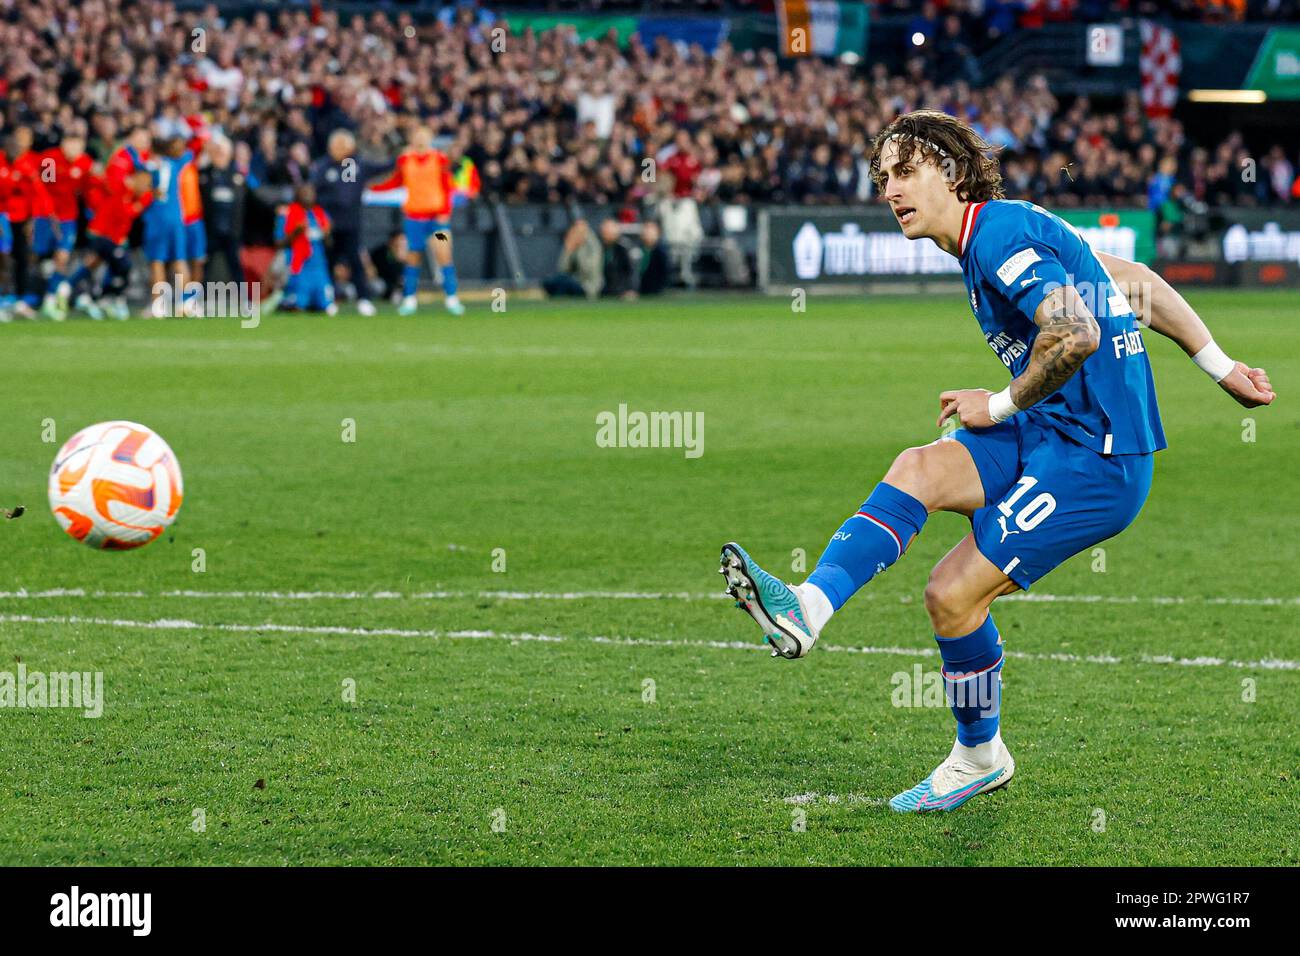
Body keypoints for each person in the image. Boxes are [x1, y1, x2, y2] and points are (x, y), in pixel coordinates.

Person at [719, 109, 1276, 814]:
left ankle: (979, 758)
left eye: (907, 171)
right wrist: (1221, 368)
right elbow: (1136, 283)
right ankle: (808, 608)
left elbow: (1074, 333)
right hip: (1055, 429)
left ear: (950, 174)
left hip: (1097, 461)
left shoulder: (999, 237)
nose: (890, 190)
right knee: (917, 469)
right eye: (883, 176)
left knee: (951, 595)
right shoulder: (1007, 228)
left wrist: (999, 405)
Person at [368, 126, 463, 316]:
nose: (420, 139)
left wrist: (445, 211)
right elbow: (396, 181)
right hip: (414, 218)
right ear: (412, 139)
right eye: (417, 136)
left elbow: (447, 187)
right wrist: (374, 188)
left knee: (443, 254)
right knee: (413, 257)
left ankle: (452, 298)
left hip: (437, 219)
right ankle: (409, 299)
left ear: (430, 138)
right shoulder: (405, 159)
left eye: (424, 136)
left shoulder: (440, 159)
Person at [312, 129, 390, 316]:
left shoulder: (357, 165)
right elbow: (313, 193)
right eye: (336, 145)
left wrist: (402, 157)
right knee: (327, 262)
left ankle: (363, 299)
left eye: (342, 145)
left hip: (351, 224)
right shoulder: (323, 167)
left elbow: (382, 168)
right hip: (328, 226)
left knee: (355, 262)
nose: (338, 149)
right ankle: (326, 299)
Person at [72, 168, 154, 321]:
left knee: (109, 266)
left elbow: (130, 213)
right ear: (134, 178)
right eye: (144, 182)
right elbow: (96, 179)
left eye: (148, 184)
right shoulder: (119, 186)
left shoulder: (141, 196)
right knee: (116, 264)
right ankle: (83, 294)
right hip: (101, 233)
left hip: (116, 238)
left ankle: (96, 297)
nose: (145, 186)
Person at [39, 134, 94, 320]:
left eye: (79, 146)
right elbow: (45, 187)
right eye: (72, 144)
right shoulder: (50, 159)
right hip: (46, 217)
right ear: (64, 143)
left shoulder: (85, 162)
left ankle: (50, 299)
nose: (75, 149)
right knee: (43, 260)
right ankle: (58, 291)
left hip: (68, 218)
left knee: (62, 257)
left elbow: (88, 189)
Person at [273, 183, 336, 315]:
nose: (308, 195)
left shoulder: (320, 214)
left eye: (311, 192)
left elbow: (329, 243)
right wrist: (296, 232)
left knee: (328, 307)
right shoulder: (288, 213)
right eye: (304, 192)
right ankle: (285, 301)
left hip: (319, 268)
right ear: (297, 194)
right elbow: (278, 243)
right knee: (298, 306)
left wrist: (327, 234)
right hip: (298, 267)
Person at [199, 137, 247, 284]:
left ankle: (244, 299)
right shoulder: (204, 174)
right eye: (217, 151)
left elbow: (254, 197)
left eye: (222, 152)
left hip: (231, 230)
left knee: (235, 265)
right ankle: (199, 299)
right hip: (210, 229)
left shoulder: (237, 176)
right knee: (204, 266)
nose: (219, 155)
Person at [542, 218, 602, 299]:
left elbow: (588, 270)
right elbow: (562, 269)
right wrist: (568, 250)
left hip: (587, 286)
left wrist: (579, 247)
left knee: (564, 283)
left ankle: (558, 302)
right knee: (548, 282)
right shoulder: (572, 243)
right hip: (572, 281)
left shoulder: (593, 246)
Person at [598, 219, 636, 300]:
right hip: (602, 289)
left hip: (620, 290)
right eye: (604, 232)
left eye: (609, 232)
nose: (606, 235)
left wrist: (631, 289)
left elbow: (631, 270)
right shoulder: (598, 246)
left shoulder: (623, 247)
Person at [366, 229, 409, 302]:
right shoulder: (382, 252)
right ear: (392, 240)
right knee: (378, 286)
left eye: (404, 240)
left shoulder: (405, 254)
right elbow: (387, 272)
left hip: (394, 286)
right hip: (380, 282)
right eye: (400, 239)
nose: (402, 243)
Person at [637, 220, 670, 296]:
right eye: (646, 229)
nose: (648, 233)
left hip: (656, 292)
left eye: (651, 231)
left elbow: (665, 274)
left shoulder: (662, 253)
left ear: (658, 234)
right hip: (638, 290)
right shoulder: (635, 249)